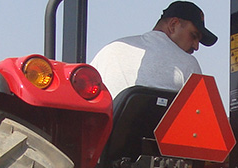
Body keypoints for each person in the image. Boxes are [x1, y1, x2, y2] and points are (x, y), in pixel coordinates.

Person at [89, 1, 218, 97]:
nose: (196, 46)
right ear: (173, 25)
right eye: (193, 36)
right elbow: (201, 120)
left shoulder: (110, 51)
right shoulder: (188, 64)